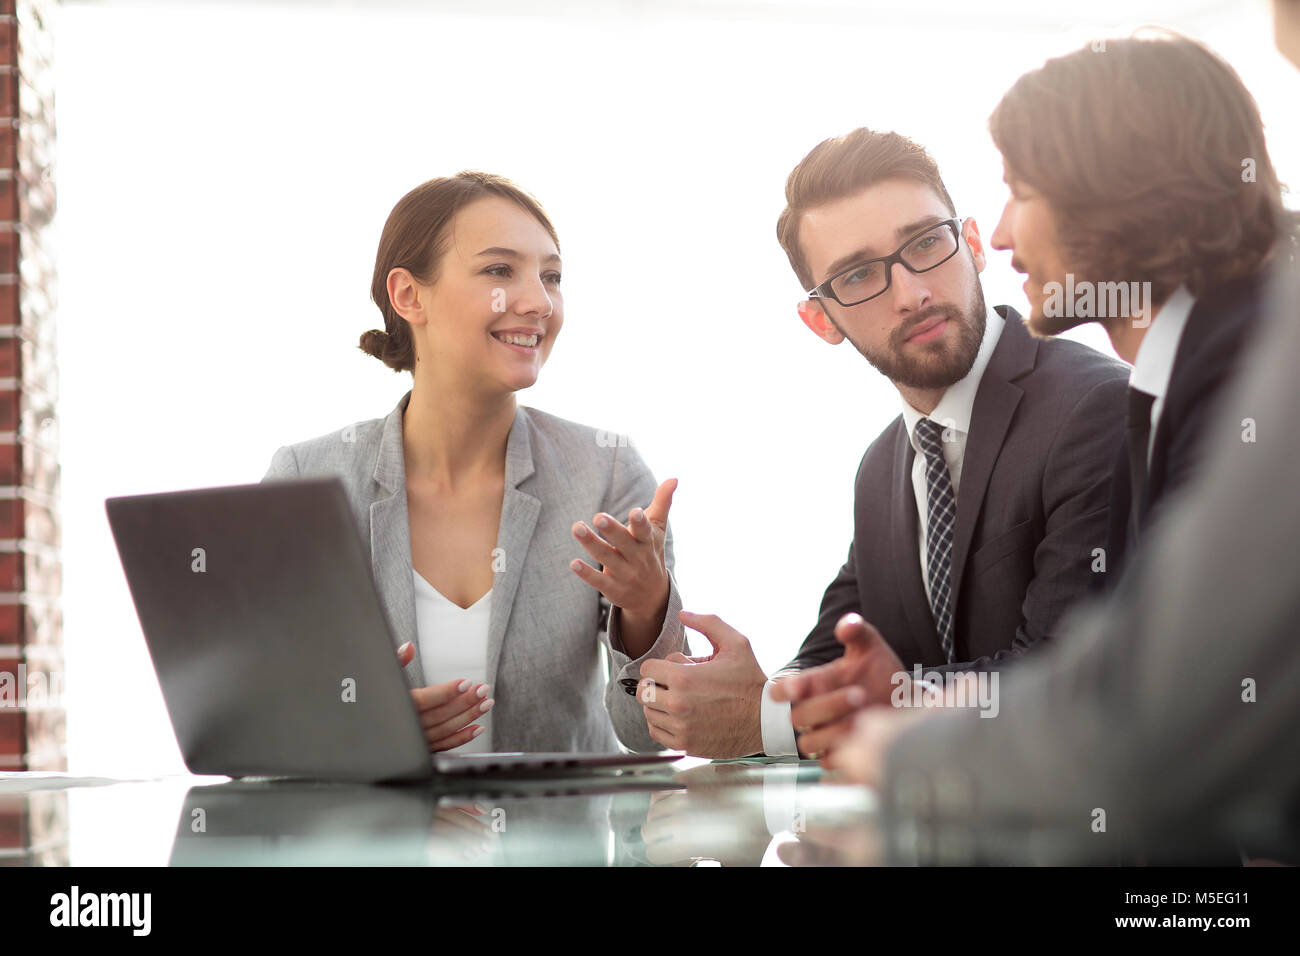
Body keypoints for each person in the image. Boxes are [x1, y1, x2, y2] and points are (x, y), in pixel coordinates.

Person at [787, 13, 1300, 863]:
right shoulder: (1181, 381)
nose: (1002, 233)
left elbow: (1158, 709)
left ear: (1121, 197)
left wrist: (910, 751)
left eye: (1021, 189)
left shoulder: (1251, 368)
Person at [635, 130, 1128, 758]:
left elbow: (1063, 681)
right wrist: (744, 692)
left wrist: (773, 720)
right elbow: (838, 649)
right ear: (822, 321)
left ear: (971, 243)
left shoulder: (1094, 408)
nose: (911, 293)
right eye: (859, 274)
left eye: (925, 243)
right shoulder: (883, 466)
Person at [263, 171, 686, 754]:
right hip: (371, 842)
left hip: (560, 845)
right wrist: (361, 731)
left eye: (552, 277)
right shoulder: (307, 482)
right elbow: (260, 721)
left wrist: (645, 608)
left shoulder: (605, 472)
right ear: (409, 295)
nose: (539, 302)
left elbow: (648, 737)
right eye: (498, 270)